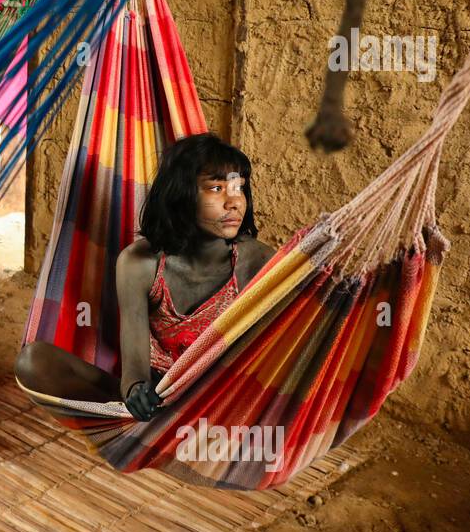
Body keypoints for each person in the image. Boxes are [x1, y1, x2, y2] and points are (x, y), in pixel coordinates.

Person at [15, 133, 277, 420]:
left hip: (220, 403)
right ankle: (144, 430)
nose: (234, 202)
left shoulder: (256, 262)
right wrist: (136, 391)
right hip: (157, 401)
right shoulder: (140, 264)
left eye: (239, 188)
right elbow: (135, 369)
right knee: (33, 361)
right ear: (182, 195)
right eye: (216, 188)